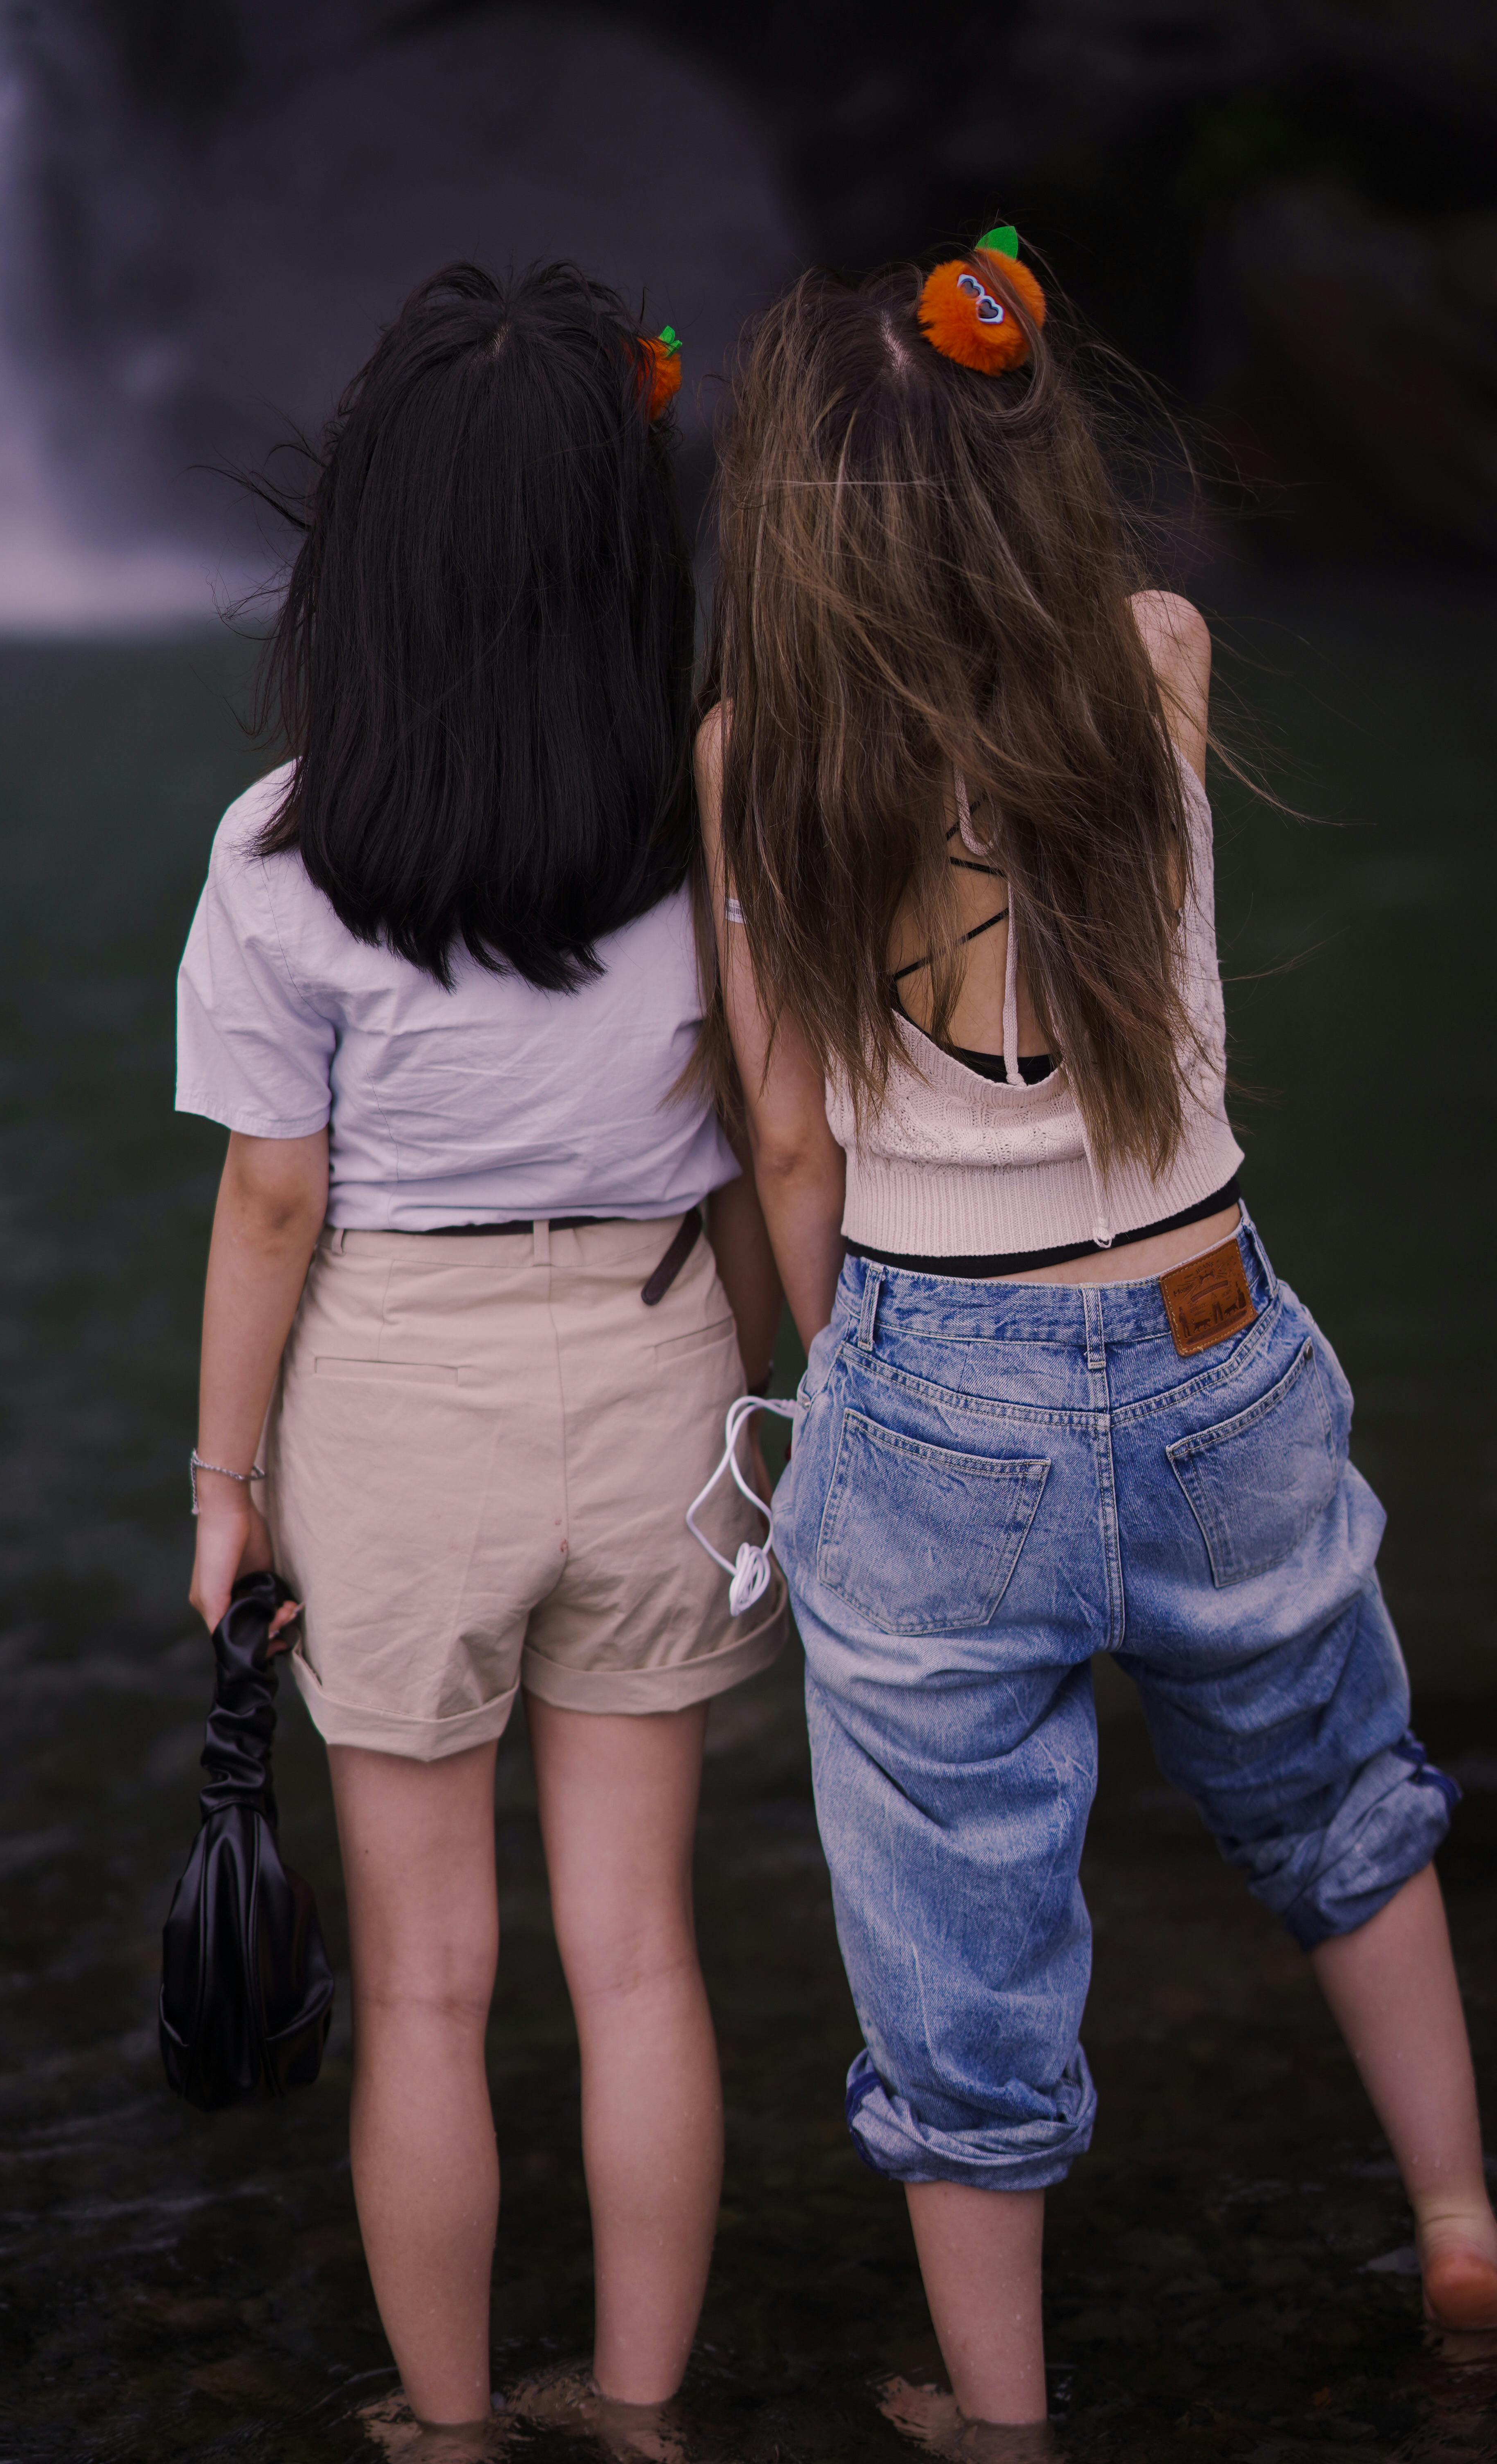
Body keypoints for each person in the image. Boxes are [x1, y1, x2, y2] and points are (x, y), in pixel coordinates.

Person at [697, 234, 1497, 2445]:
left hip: (931, 1364)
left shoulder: (758, 753)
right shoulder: (1158, 651)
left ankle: (1006, 2413)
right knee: (1345, 1797)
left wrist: (840, 1390)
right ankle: (1457, 2223)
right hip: (1218, 1320)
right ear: (1039, 457)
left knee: (958, 1919)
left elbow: (787, 1143)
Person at [175, 261, 785, 2437]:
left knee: (430, 1988)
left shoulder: (284, 855)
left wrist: (222, 1493)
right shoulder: (709, 825)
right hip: (660, 1376)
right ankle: (639, 2411)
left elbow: (274, 1202)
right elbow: (755, 1149)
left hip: (399, 1410)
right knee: (640, 1962)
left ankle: (441, 2428)